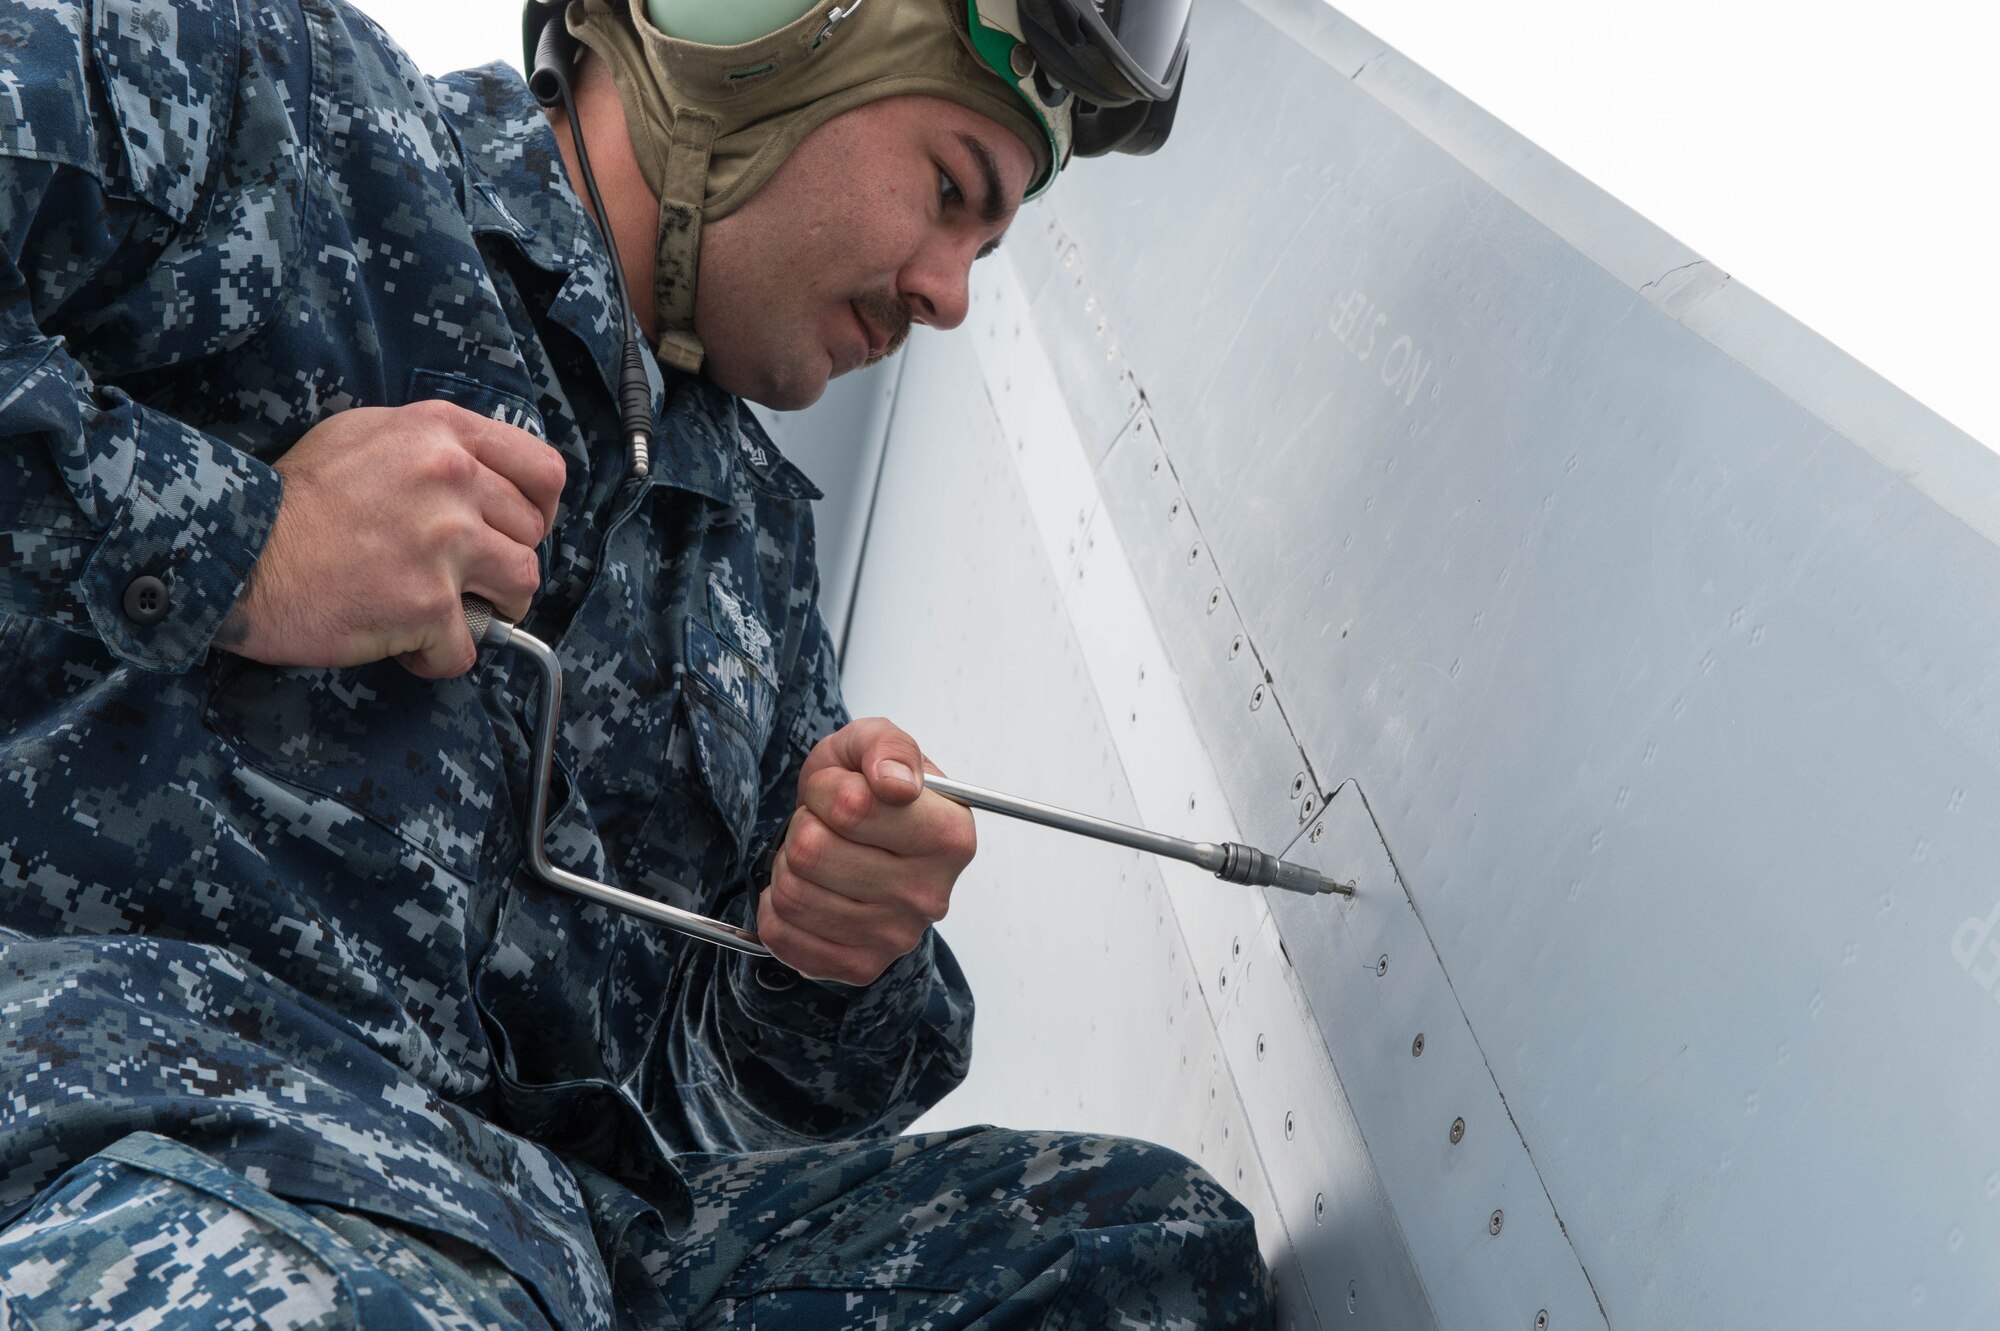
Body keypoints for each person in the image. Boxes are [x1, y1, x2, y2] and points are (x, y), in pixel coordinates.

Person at [0, 0, 1270, 1324]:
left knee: (1130, 1248)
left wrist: (825, 956)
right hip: (143, 1137)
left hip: (555, 1246)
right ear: (775, 41)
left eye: (988, 247)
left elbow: (711, 1114)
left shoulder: (752, 552)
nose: (951, 295)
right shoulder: (273, 102)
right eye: (951, 190)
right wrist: (240, 545)